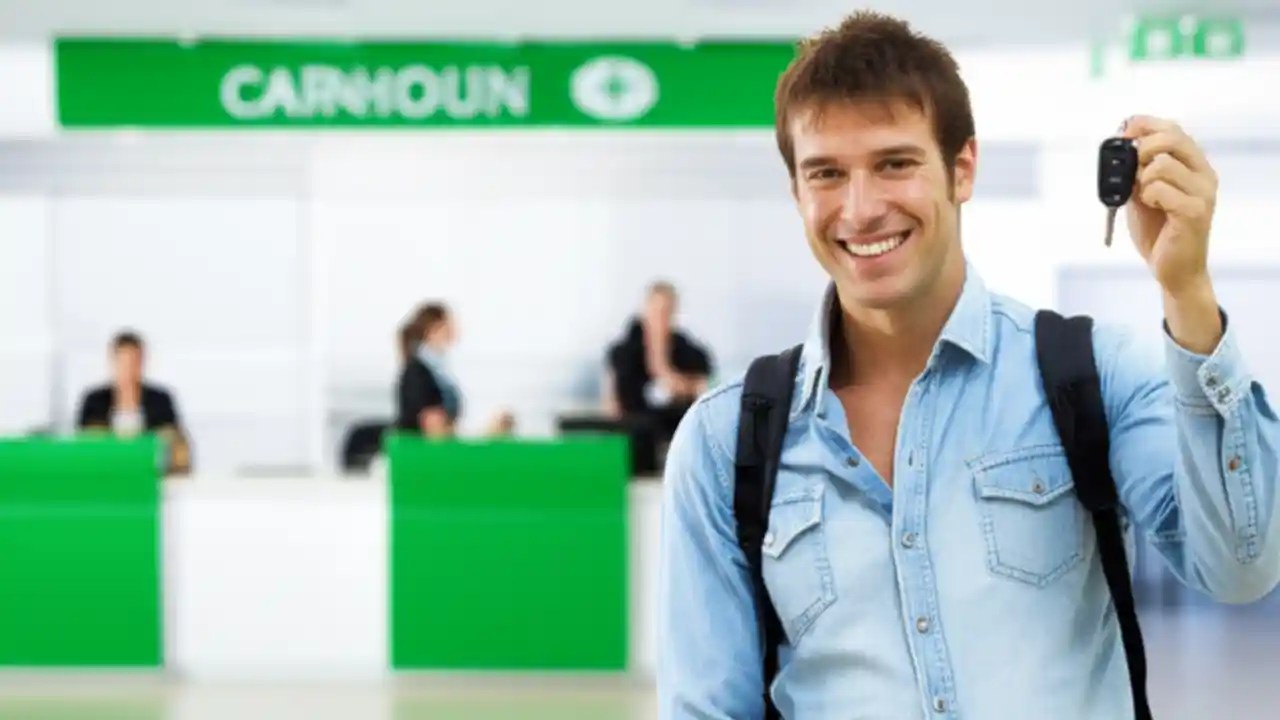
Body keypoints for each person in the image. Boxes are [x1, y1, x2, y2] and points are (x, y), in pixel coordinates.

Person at [657, 10, 1280, 720]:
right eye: (826, 173)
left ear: (962, 169)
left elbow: (1243, 566)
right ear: (797, 192)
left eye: (895, 163)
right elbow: (706, 707)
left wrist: (1187, 291)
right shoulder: (726, 441)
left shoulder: (1088, 375)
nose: (860, 209)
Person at [77, 330, 192, 475]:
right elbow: (86, 444)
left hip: (151, 473)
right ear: (113, 362)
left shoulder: (161, 400)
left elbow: (175, 443)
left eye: (134, 362)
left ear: (143, 362)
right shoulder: (94, 400)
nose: (129, 370)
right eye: (123, 363)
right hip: (105, 473)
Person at [395, 302, 512, 438]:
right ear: (433, 329)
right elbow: (433, 427)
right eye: (449, 326)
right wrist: (483, 432)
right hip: (420, 446)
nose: (456, 331)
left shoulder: (440, 371)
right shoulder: (417, 372)